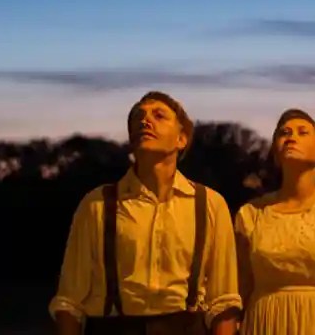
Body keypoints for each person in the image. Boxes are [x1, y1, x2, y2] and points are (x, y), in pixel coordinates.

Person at [50, 91, 241, 334]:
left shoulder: (210, 204)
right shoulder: (97, 204)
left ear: (181, 139)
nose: (145, 121)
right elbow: (69, 301)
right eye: (138, 117)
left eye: (159, 115)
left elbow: (223, 301)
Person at [235, 108, 315, 335]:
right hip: (264, 321)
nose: (291, 137)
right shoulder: (251, 213)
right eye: (284, 133)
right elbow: (241, 284)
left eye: (302, 132)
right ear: (275, 153)